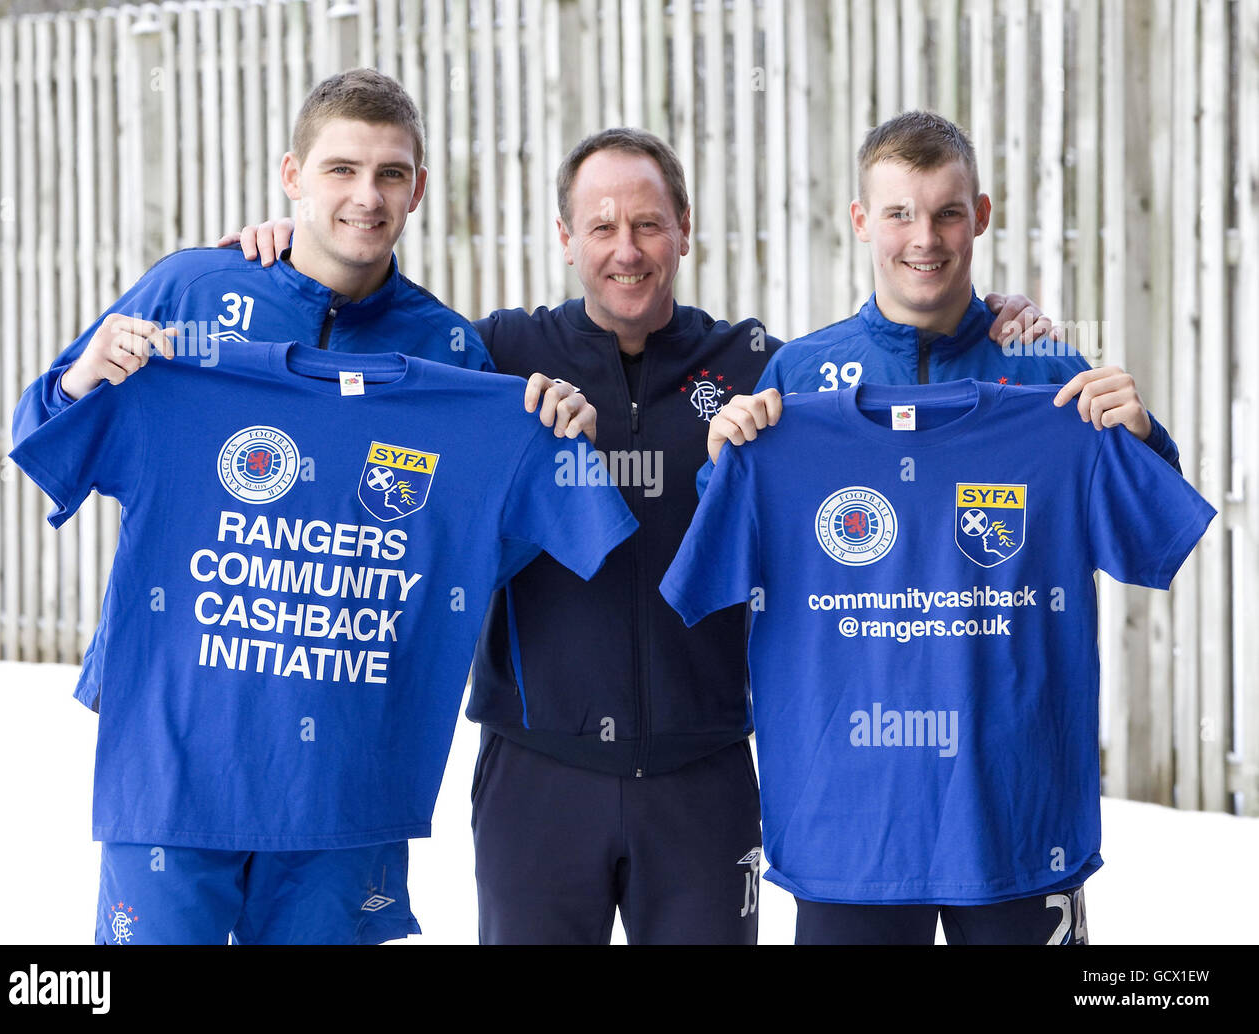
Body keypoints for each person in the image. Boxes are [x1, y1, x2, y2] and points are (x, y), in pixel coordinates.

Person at [234, 127, 1054, 945]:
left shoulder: (757, 367)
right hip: (537, 776)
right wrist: (288, 254)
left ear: (686, 229)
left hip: (705, 778)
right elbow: (372, 345)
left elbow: (888, 382)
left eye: (649, 224)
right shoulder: (494, 357)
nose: (626, 250)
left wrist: (998, 324)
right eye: (600, 226)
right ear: (565, 239)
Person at [11, 68, 597, 945]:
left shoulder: (447, 352)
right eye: (340, 170)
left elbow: (475, 546)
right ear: (291, 176)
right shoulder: (191, 293)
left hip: (345, 770)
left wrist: (562, 442)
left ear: (418, 189)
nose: (367, 196)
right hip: (179, 751)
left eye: (391, 174)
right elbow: (43, 436)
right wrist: (87, 374)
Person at [704, 110, 1181, 944]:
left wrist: (1144, 439)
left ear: (981, 217)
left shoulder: (1050, 379)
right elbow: (720, 561)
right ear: (861, 222)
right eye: (898, 213)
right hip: (849, 828)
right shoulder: (796, 384)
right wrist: (724, 458)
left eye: (947, 212)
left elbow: (1153, 540)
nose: (924, 238)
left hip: (1016, 822)